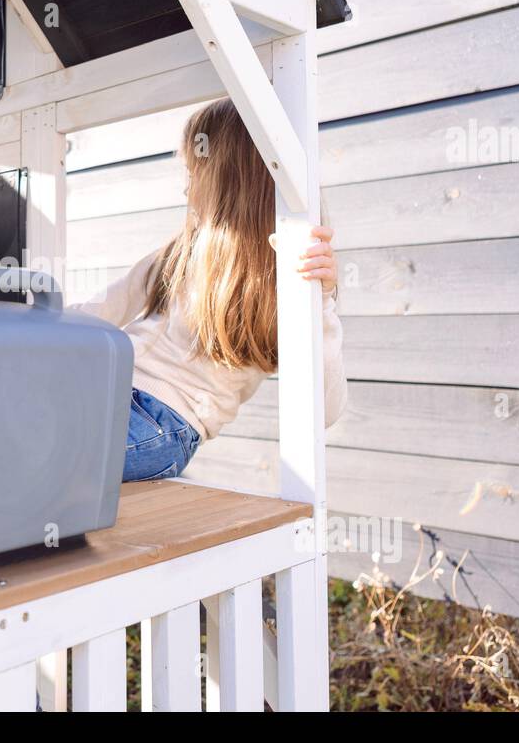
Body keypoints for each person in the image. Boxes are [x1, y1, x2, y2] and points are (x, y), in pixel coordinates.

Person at [67, 97, 349, 483]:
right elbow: (93, 312)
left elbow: (326, 410)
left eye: (193, 171)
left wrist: (322, 302)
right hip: (104, 386)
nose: (186, 190)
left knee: (31, 454)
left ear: (229, 178)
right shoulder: (174, 254)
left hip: (163, 424)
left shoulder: (287, 275)